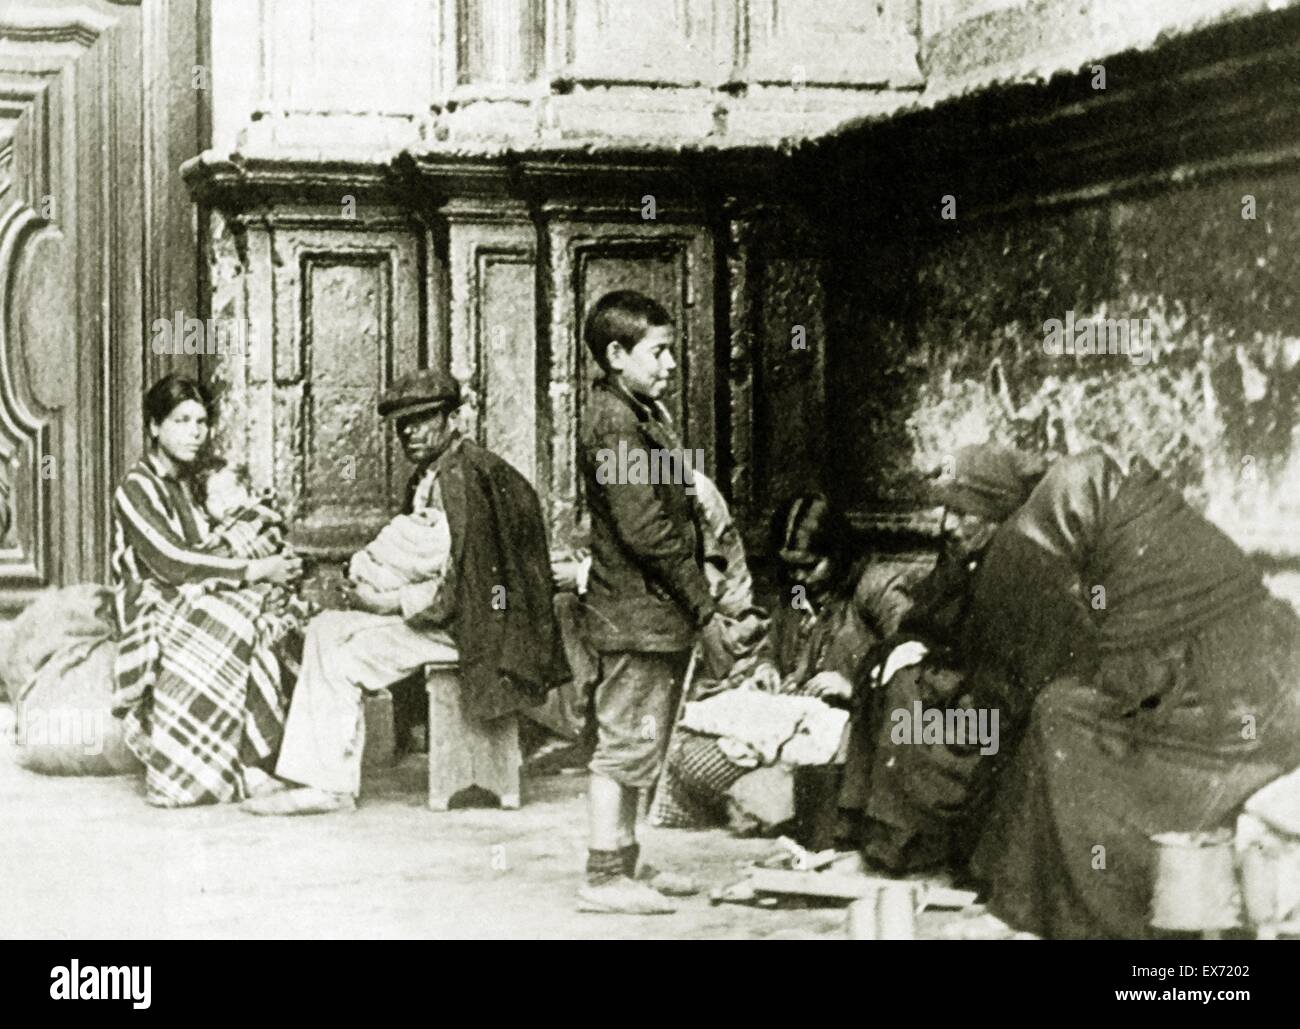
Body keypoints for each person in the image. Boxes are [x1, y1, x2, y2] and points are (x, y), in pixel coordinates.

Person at [949, 445, 1300, 937]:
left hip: (1238, 708)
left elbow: (1128, 678)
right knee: (1064, 708)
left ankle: (1085, 897)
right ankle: (1027, 885)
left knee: (1060, 719)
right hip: (1269, 679)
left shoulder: (1102, 537)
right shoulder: (1142, 507)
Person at [244, 368, 569, 816]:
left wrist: (386, 602)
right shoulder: (436, 474)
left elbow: (473, 589)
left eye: (424, 419)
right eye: (403, 423)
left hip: (481, 633)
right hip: (462, 619)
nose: (410, 432)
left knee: (344, 656)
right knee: (324, 628)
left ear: (453, 418)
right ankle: (313, 774)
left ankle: (330, 788)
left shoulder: (465, 479)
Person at [576, 290, 752, 914]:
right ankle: (601, 878)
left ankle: (623, 859)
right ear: (617, 354)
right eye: (660, 352)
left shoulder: (638, 411)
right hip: (633, 613)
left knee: (640, 739)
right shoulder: (615, 423)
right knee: (622, 742)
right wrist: (704, 609)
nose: (672, 364)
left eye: (673, 350)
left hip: (648, 611)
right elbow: (645, 530)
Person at [110, 375, 305, 807]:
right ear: (154, 427)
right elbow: (171, 562)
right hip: (150, 600)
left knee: (265, 614)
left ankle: (257, 760)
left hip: (193, 592)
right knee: (234, 617)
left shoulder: (195, 483)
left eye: (201, 421)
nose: (195, 432)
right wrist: (256, 569)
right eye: (181, 421)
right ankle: (195, 776)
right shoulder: (136, 487)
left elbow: (214, 545)